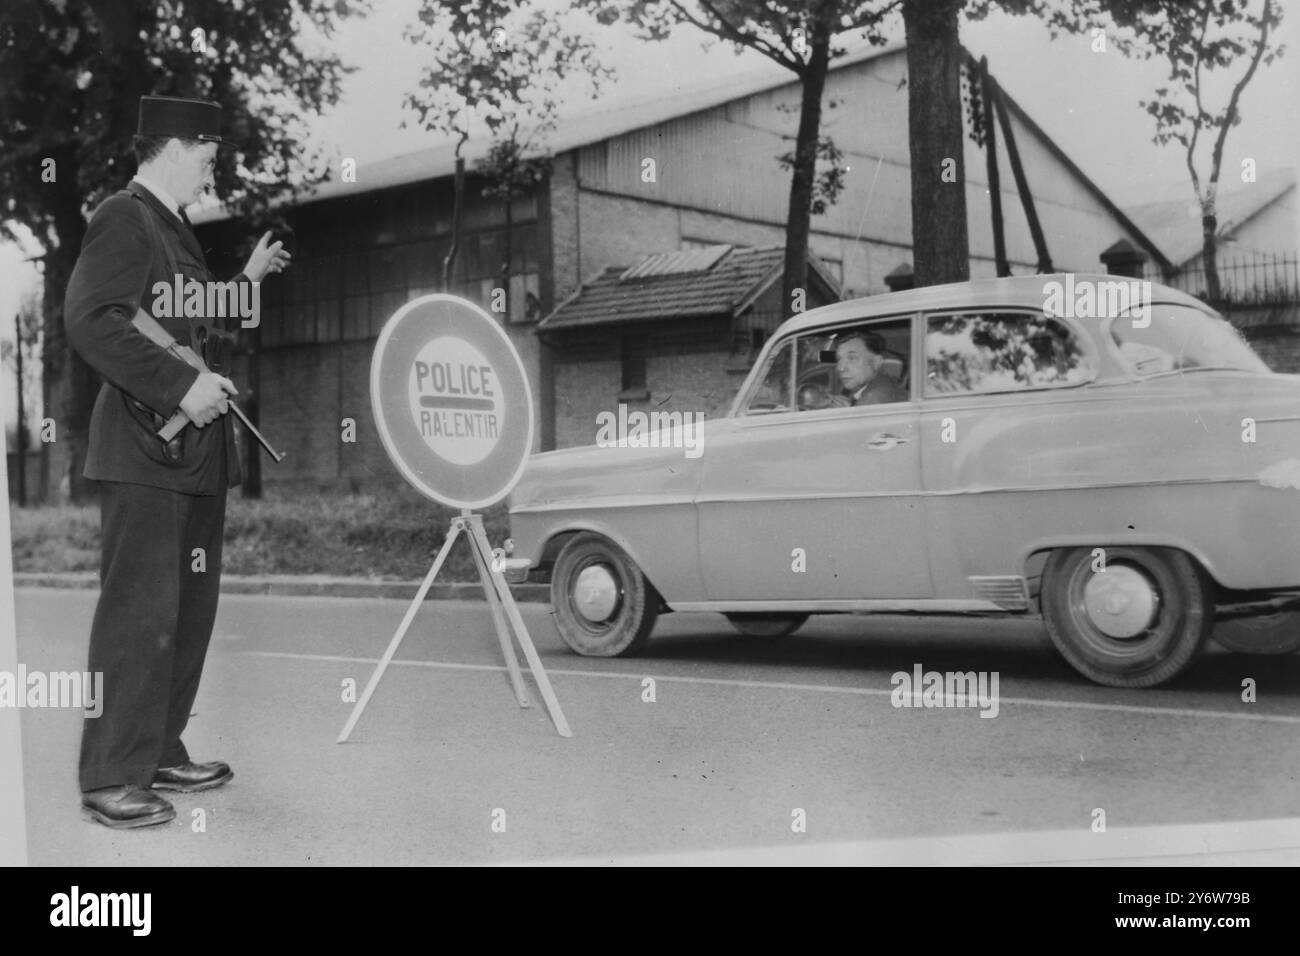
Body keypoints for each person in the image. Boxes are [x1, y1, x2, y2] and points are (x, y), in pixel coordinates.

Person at [64, 95, 290, 829]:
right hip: (141, 450)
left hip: (191, 456)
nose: (211, 172)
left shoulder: (173, 228)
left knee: (186, 612)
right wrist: (181, 385)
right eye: (207, 157)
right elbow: (90, 320)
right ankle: (110, 773)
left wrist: (245, 282)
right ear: (170, 149)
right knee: (138, 613)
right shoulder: (123, 217)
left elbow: (191, 326)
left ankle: (159, 747)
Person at [828, 329, 907, 407]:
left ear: (876, 362)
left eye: (852, 358)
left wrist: (850, 416)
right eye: (839, 359)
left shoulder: (873, 399)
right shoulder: (881, 384)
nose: (840, 368)